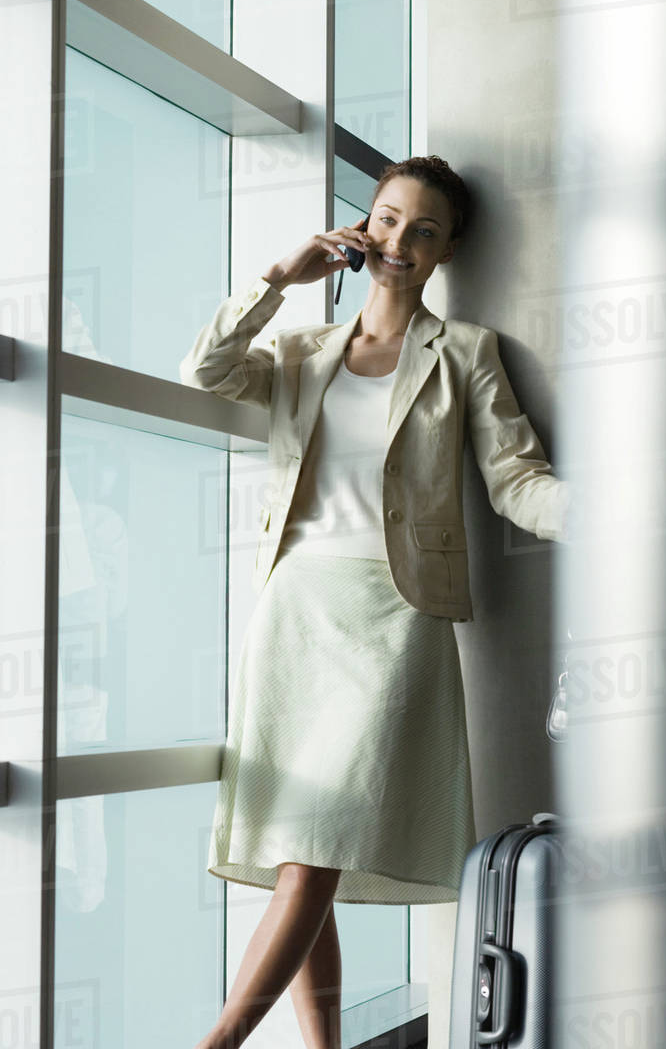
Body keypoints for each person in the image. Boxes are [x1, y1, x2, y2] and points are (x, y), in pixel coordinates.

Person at [183, 155, 569, 1049]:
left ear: (445, 249)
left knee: (317, 846)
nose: (399, 241)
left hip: (396, 618)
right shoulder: (302, 352)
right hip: (295, 610)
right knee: (301, 855)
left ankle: (219, 1041)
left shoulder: (464, 352)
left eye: (422, 229)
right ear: (364, 224)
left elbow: (515, 481)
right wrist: (281, 279)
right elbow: (207, 369)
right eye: (388, 219)